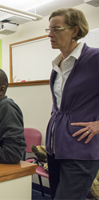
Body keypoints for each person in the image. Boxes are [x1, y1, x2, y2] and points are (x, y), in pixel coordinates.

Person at [43, 8, 99, 199]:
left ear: (75, 30)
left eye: (56, 29)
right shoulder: (57, 65)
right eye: (48, 30)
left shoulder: (95, 59)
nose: (50, 35)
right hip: (55, 148)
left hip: (80, 149)